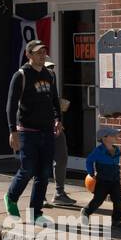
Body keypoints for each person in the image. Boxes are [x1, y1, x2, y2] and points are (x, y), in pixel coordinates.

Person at [3, 39, 61, 224]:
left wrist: (58, 119)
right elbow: (11, 106)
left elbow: (55, 100)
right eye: (38, 53)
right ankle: (11, 198)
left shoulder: (50, 75)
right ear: (29, 55)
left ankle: (36, 213)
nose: (42, 55)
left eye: (43, 52)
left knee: (43, 173)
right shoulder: (21, 75)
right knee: (27, 169)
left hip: (47, 131)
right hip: (27, 131)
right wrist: (13, 131)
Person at [44, 61, 76, 207]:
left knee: (61, 157)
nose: (51, 70)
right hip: (40, 127)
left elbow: (53, 102)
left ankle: (59, 193)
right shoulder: (29, 81)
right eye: (48, 68)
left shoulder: (51, 79)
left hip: (55, 125)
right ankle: (40, 195)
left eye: (52, 68)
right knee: (42, 161)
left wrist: (58, 118)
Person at [82, 127, 121, 231]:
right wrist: (91, 173)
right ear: (104, 138)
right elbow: (89, 161)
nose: (117, 137)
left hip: (115, 180)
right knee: (98, 200)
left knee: (119, 200)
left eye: (117, 135)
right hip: (102, 180)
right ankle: (86, 212)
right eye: (114, 135)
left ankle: (116, 221)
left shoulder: (117, 149)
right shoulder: (98, 151)